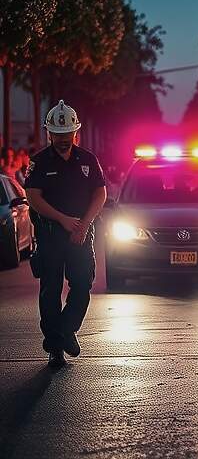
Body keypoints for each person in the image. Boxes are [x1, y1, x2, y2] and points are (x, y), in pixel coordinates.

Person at [24, 100, 107, 368]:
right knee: (50, 290)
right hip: (50, 235)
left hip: (81, 235)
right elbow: (33, 196)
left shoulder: (88, 160)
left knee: (82, 284)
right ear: (49, 134)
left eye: (67, 134)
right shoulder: (38, 162)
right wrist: (62, 220)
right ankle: (55, 347)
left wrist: (83, 223)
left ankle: (65, 329)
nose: (62, 140)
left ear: (75, 133)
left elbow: (100, 193)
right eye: (57, 135)